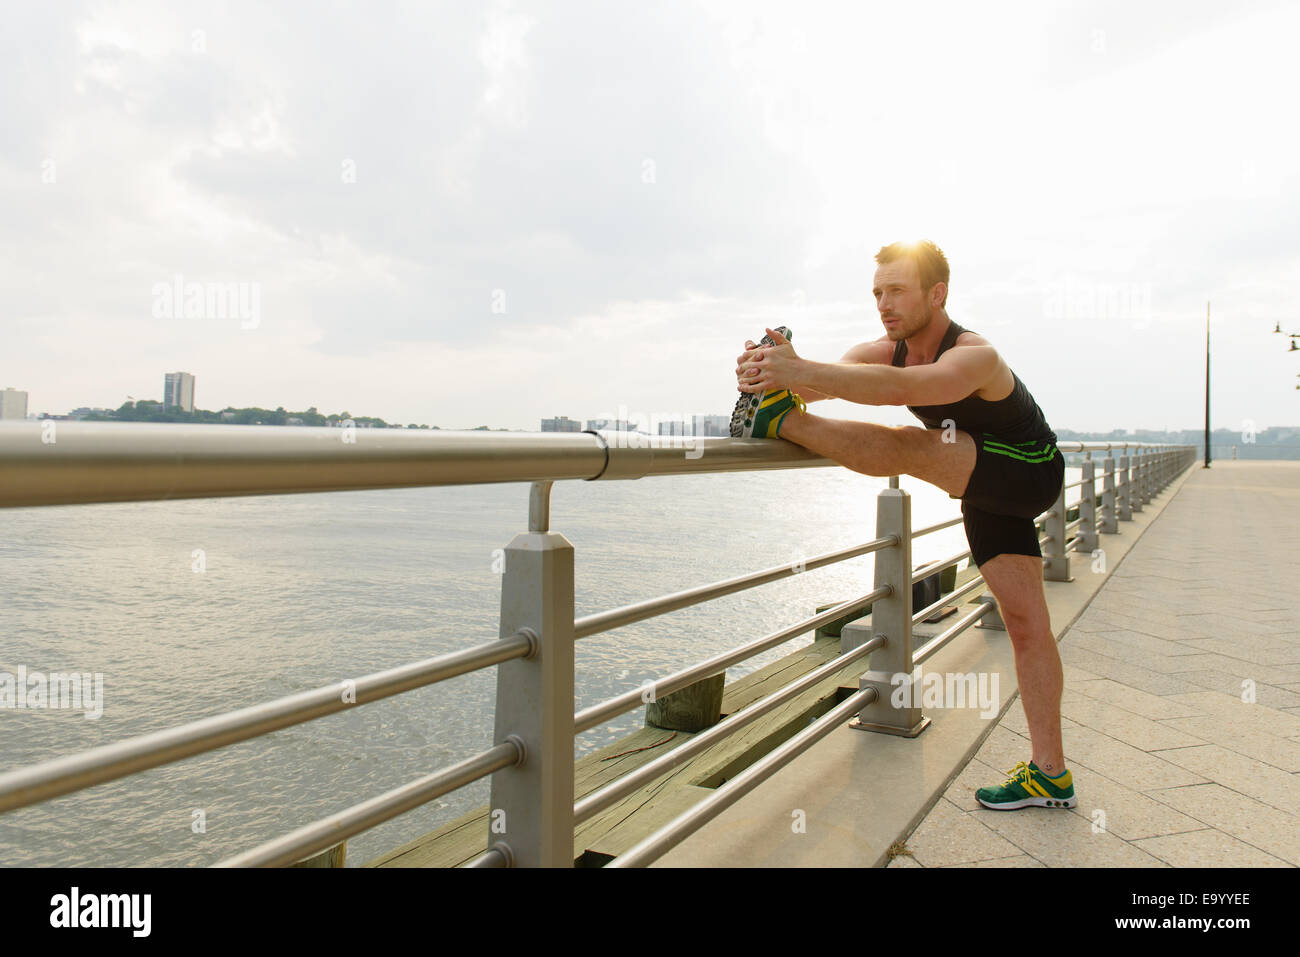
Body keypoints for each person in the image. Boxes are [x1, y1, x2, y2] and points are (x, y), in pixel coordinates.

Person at [732, 240, 1075, 810]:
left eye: (897, 291)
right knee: (1025, 624)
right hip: (981, 485)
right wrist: (767, 372)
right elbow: (824, 381)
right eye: (877, 293)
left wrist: (791, 388)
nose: (884, 304)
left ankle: (779, 425)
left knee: (909, 445)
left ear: (936, 294)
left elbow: (905, 392)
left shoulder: (975, 355)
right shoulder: (881, 348)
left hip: (1029, 470)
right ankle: (1051, 774)